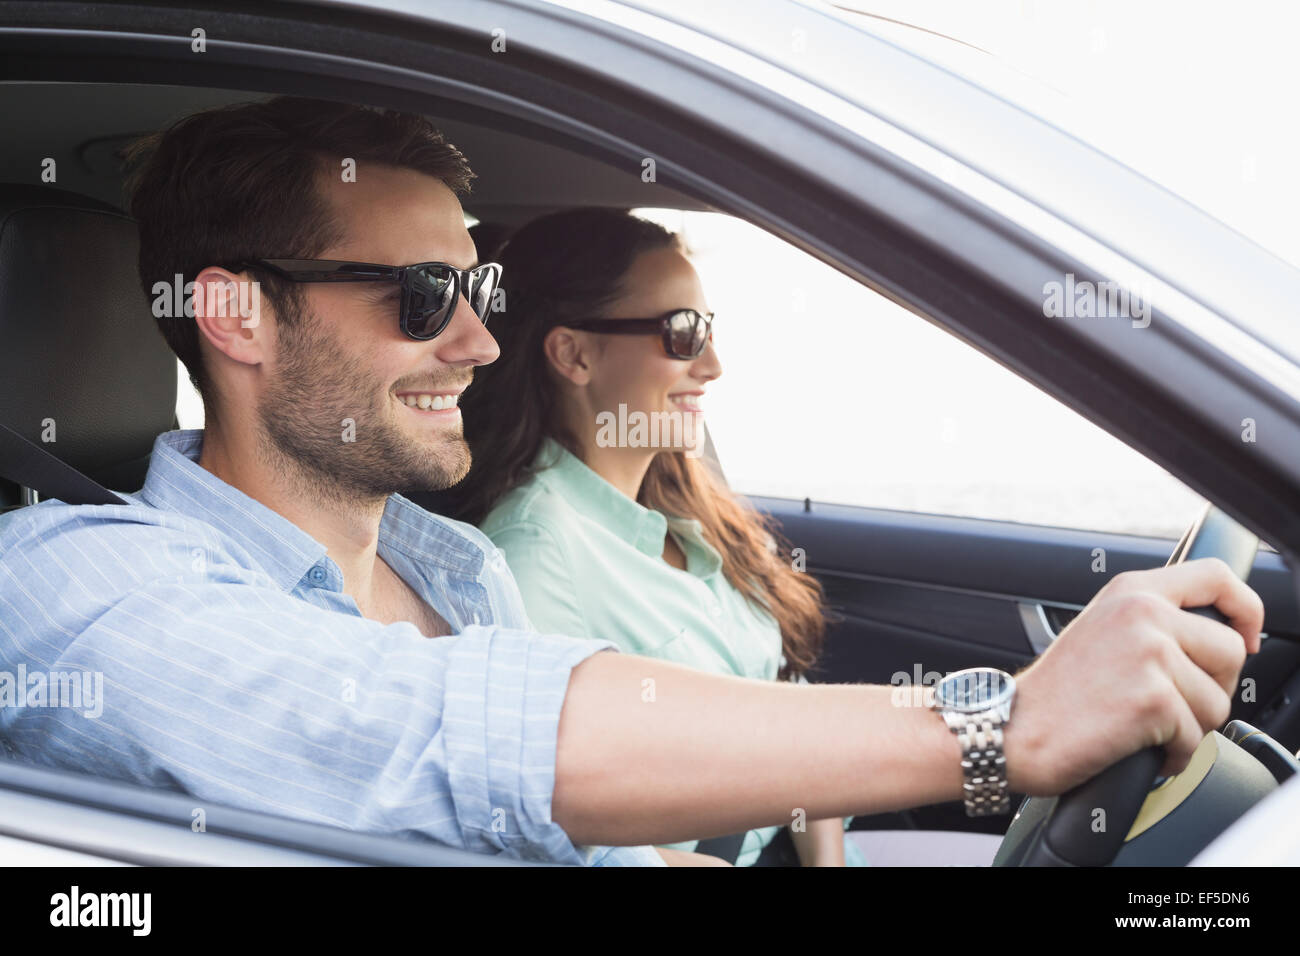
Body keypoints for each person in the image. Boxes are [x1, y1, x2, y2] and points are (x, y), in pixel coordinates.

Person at [0, 96, 1264, 867]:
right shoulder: (72, 580)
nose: (479, 343)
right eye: (426, 296)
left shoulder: (456, 566)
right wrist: (1000, 726)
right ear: (234, 316)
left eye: (479, 292)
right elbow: (425, 731)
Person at [442, 207, 862, 865]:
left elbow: (792, 710)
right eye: (683, 333)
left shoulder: (691, 511)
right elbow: (552, 820)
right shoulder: (535, 552)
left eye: (709, 328)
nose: (714, 364)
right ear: (573, 353)